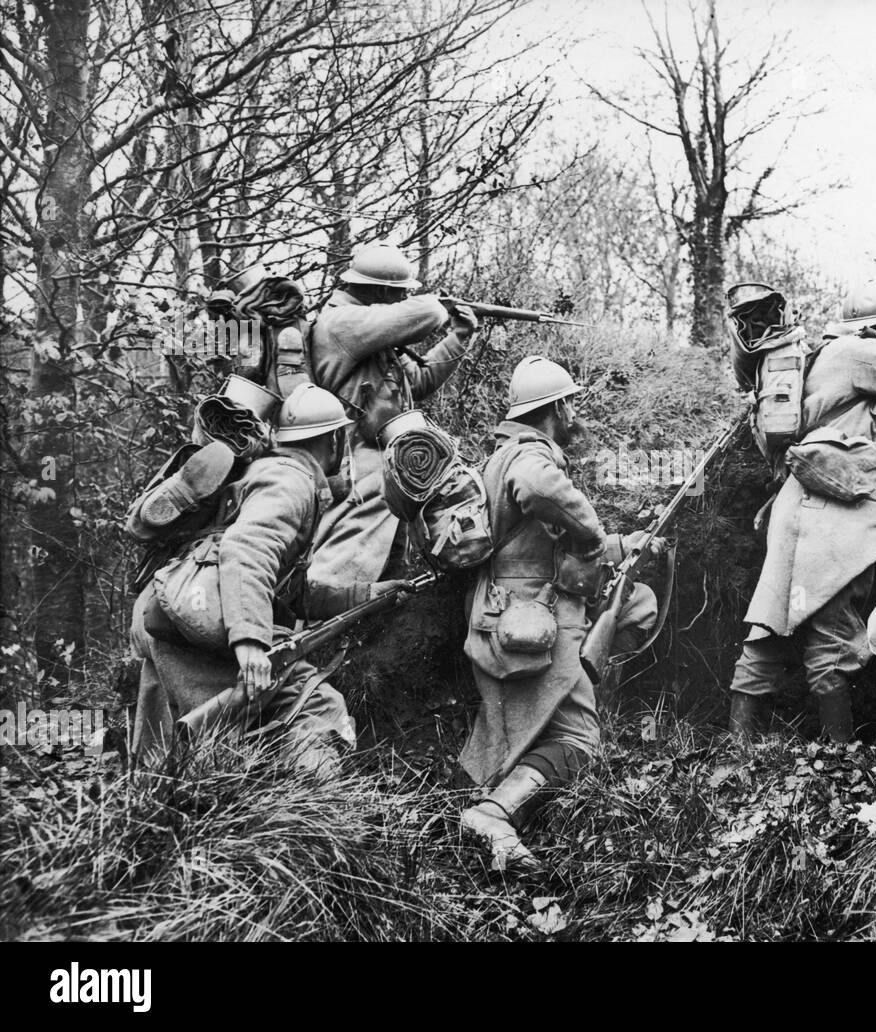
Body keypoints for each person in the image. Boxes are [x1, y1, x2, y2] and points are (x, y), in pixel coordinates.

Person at [727, 279, 876, 742]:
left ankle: (739, 748)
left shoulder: (833, 355)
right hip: (833, 514)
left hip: (808, 507)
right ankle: (840, 756)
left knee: (770, 624)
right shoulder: (858, 353)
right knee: (833, 631)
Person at [458, 356, 659, 870]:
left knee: (637, 608)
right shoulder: (528, 454)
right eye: (571, 403)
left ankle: (493, 804)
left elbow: (538, 547)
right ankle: (494, 815)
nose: (576, 414)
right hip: (530, 619)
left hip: (517, 611)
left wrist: (618, 546)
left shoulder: (503, 454)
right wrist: (592, 532)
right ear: (557, 407)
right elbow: (537, 489)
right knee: (577, 740)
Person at [130, 385, 360, 777]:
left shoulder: (266, 470)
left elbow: (285, 589)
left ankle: (152, 826)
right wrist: (252, 643)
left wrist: (365, 594)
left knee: (163, 749)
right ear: (336, 438)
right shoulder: (292, 481)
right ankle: (313, 818)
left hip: (171, 607)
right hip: (202, 617)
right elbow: (246, 549)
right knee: (316, 707)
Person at [305, 242, 479, 613]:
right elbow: (429, 311)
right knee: (342, 566)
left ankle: (365, 627)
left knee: (387, 560)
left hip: (385, 462)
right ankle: (322, 622)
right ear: (383, 292)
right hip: (351, 465)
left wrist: (459, 335)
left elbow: (417, 382)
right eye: (398, 294)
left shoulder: (370, 330)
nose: (402, 300)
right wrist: (439, 306)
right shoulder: (342, 322)